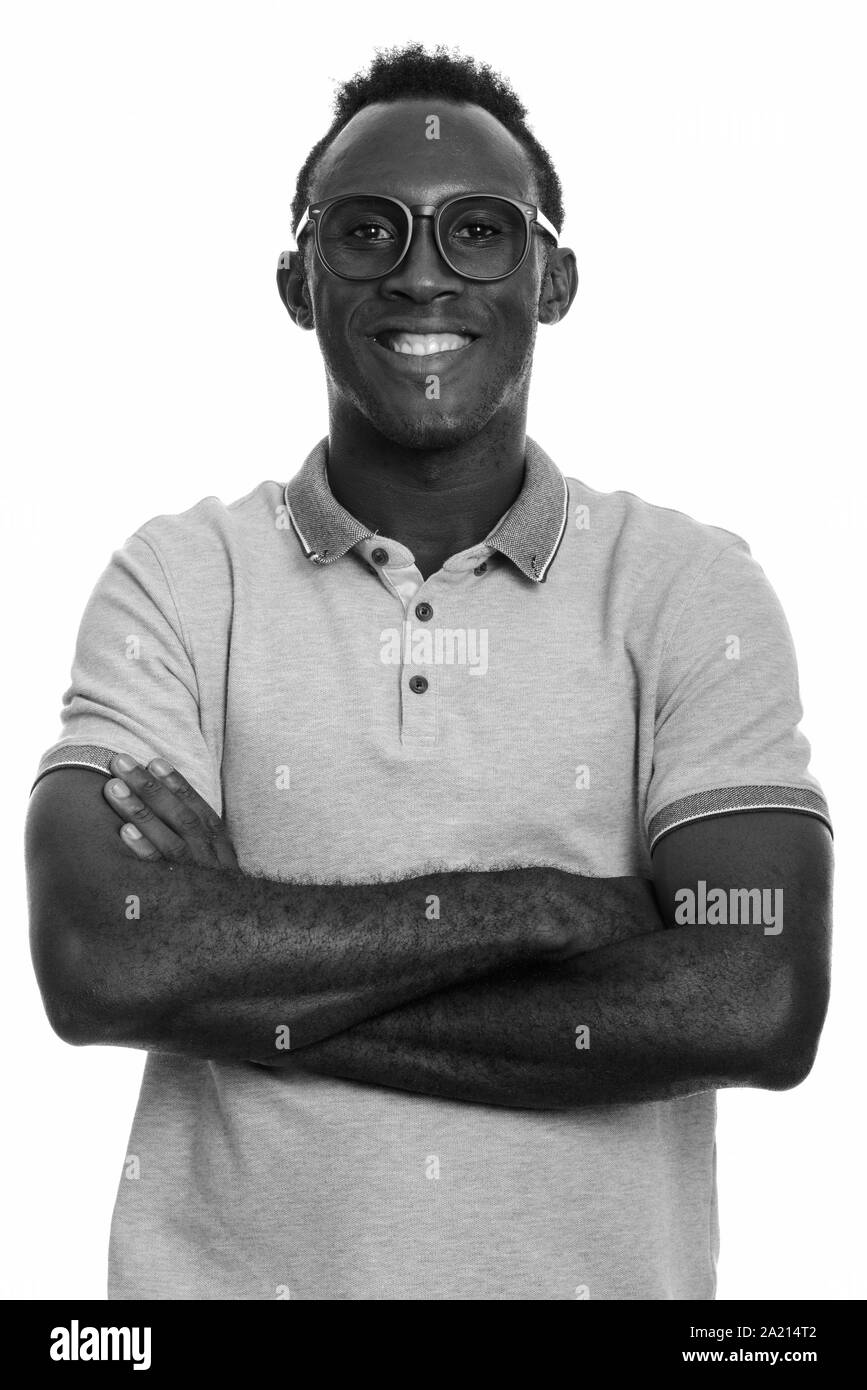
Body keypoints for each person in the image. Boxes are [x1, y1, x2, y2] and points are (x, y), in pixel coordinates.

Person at [25, 44, 833, 1301]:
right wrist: (557, 911)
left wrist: (243, 965)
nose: (419, 269)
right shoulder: (182, 579)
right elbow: (105, 961)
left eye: (477, 232)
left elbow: (755, 993)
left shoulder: (689, 588)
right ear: (297, 281)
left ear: (552, 278)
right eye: (366, 230)